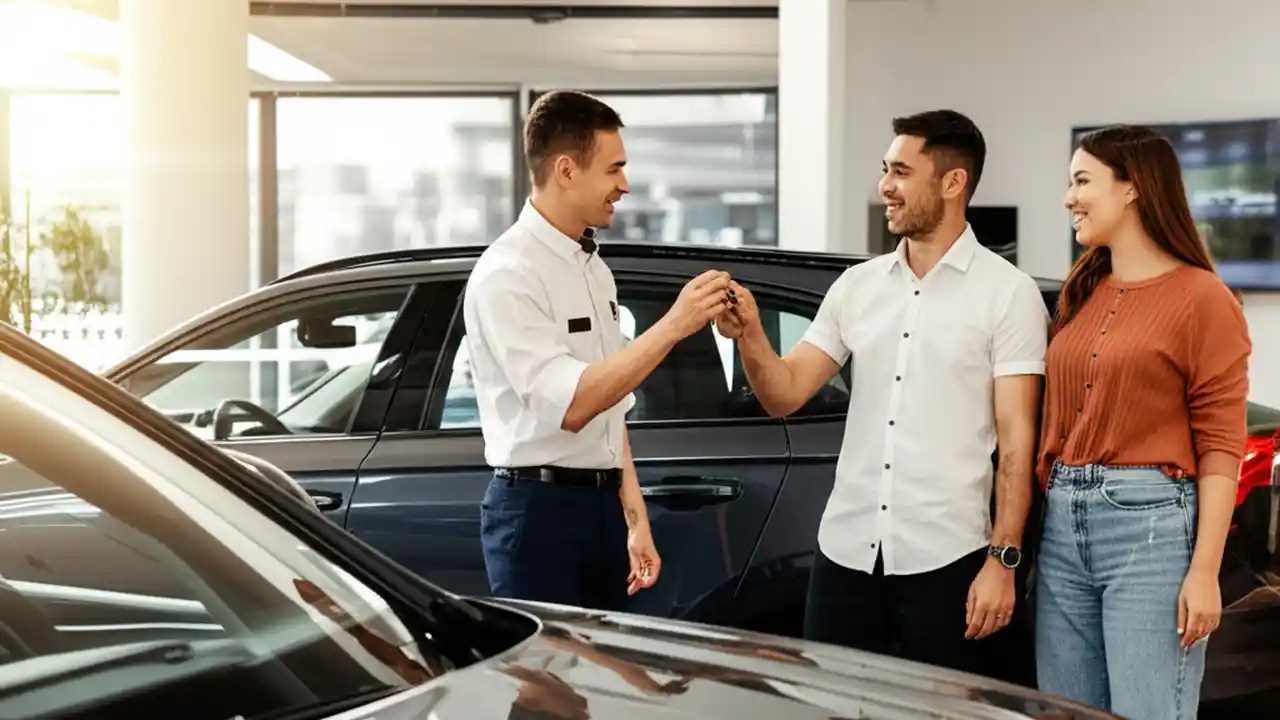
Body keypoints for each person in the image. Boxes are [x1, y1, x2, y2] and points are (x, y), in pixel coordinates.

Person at [715, 109, 1048, 676]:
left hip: (949, 559)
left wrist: (1004, 560)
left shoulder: (1008, 294)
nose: (885, 187)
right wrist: (750, 336)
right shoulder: (857, 287)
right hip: (845, 552)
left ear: (952, 182)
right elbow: (785, 393)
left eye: (900, 171)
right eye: (885, 170)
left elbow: (1018, 440)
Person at [463, 90, 732, 611]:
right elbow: (574, 404)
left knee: (603, 680)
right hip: (538, 515)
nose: (624, 186)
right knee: (548, 687)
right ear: (566, 170)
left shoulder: (594, 269)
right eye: (614, 169)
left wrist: (635, 520)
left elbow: (611, 403)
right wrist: (675, 324)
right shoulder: (508, 273)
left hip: (601, 507)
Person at [1034, 125, 1251, 719]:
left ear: (1133, 189)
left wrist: (1204, 571)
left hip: (1150, 530)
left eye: (1083, 181)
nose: (1068, 197)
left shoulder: (1203, 298)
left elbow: (1221, 445)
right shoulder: (1082, 291)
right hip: (1061, 526)